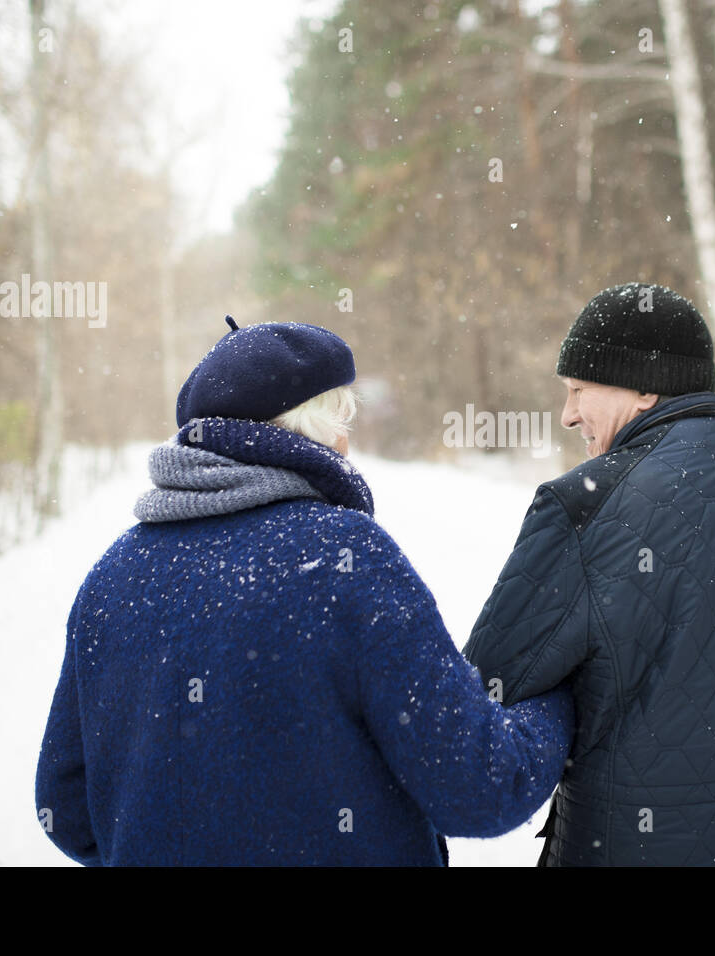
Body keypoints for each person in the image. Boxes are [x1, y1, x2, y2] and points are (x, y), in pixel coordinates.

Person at [35, 317, 572, 866]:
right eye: (345, 420)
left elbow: (65, 805)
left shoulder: (114, 575)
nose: (348, 443)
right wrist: (556, 702)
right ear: (320, 429)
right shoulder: (348, 560)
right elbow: (479, 787)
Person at [463, 283, 715, 866]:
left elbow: (480, 700)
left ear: (643, 387)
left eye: (580, 389)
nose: (567, 414)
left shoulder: (584, 506)